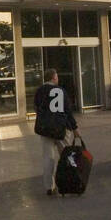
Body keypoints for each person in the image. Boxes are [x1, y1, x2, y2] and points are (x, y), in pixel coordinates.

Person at [33, 69, 78, 197]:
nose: (58, 78)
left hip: (45, 129)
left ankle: (49, 186)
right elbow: (68, 111)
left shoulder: (40, 91)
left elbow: (36, 107)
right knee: (66, 156)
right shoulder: (61, 91)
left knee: (48, 158)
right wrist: (75, 129)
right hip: (61, 128)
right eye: (56, 76)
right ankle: (67, 183)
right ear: (53, 78)